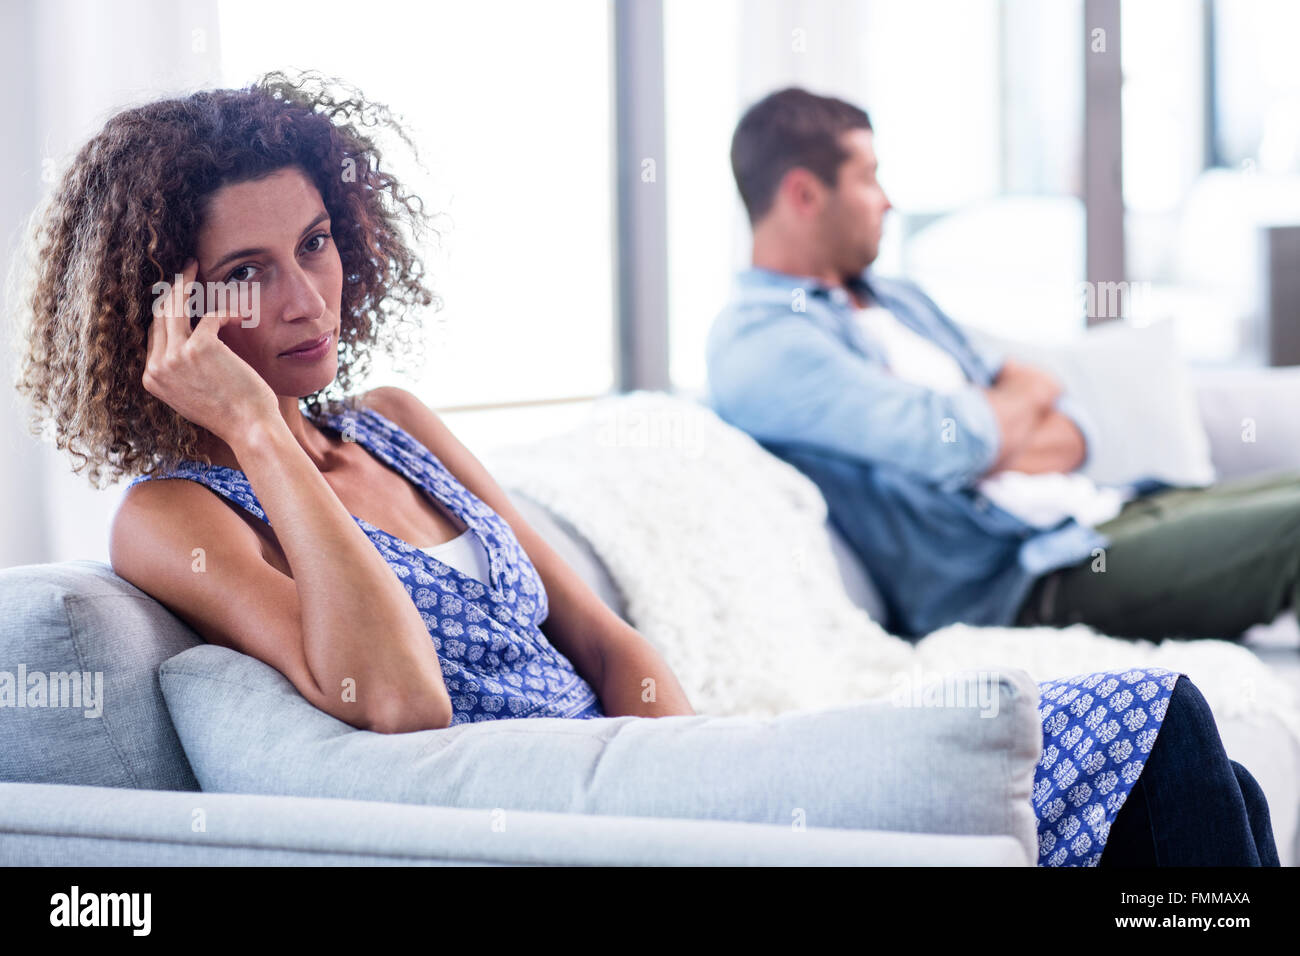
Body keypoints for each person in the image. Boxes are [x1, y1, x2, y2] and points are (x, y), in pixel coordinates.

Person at [11, 74, 1276, 866]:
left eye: (317, 244)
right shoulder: (174, 513)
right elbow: (389, 696)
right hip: (563, 810)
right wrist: (253, 433)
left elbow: (611, 646)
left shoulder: (394, 418)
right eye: (246, 274)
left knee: (1197, 768)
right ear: (160, 310)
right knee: (1155, 724)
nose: (305, 298)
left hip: (659, 780)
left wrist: (715, 778)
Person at [705, 86, 1300, 649]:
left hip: (1105, 510)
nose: (889, 200)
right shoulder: (760, 345)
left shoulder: (897, 299)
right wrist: (987, 427)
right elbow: (955, 441)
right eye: (868, 177)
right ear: (804, 195)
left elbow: (1063, 417)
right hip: (1029, 578)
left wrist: (992, 434)